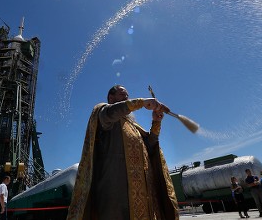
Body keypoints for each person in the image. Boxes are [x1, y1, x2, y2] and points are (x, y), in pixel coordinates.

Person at [67, 85, 179, 220]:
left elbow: (150, 147)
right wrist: (141, 102)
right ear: (111, 98)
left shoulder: (134, 126)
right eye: (122, 95)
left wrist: (156, 122)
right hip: (116, 195)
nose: (127, 97)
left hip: (144, 196)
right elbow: (110, 113)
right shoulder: (104, 114)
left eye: (127, 95)